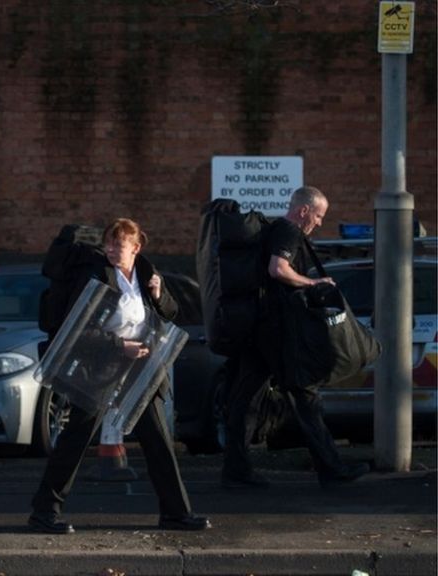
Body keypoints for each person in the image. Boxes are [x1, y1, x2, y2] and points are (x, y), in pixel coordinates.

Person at [28, 218, 211, 534]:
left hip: (140, 369)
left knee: (158, 441)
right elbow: (79, 329)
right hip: (100, 369)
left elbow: (170, 313)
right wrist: (118, 346)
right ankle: (44, 511)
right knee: (75, 439)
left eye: (119, 245)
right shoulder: (95, 274)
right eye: (108, 244)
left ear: (136, 248)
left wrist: (157, 293)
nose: (111, 250)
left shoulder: (144, 275)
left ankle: (176, 513)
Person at [221, 186, 369, 489]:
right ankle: (331, 468)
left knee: (246, 399)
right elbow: (278, 269)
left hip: (259, 329)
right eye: (318, 215)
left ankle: (236, 469)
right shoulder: (288, 230)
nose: (319, 222)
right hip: (276, 332)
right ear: (303, 210)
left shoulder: (274, 230)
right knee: (305, 396)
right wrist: (313, 282)